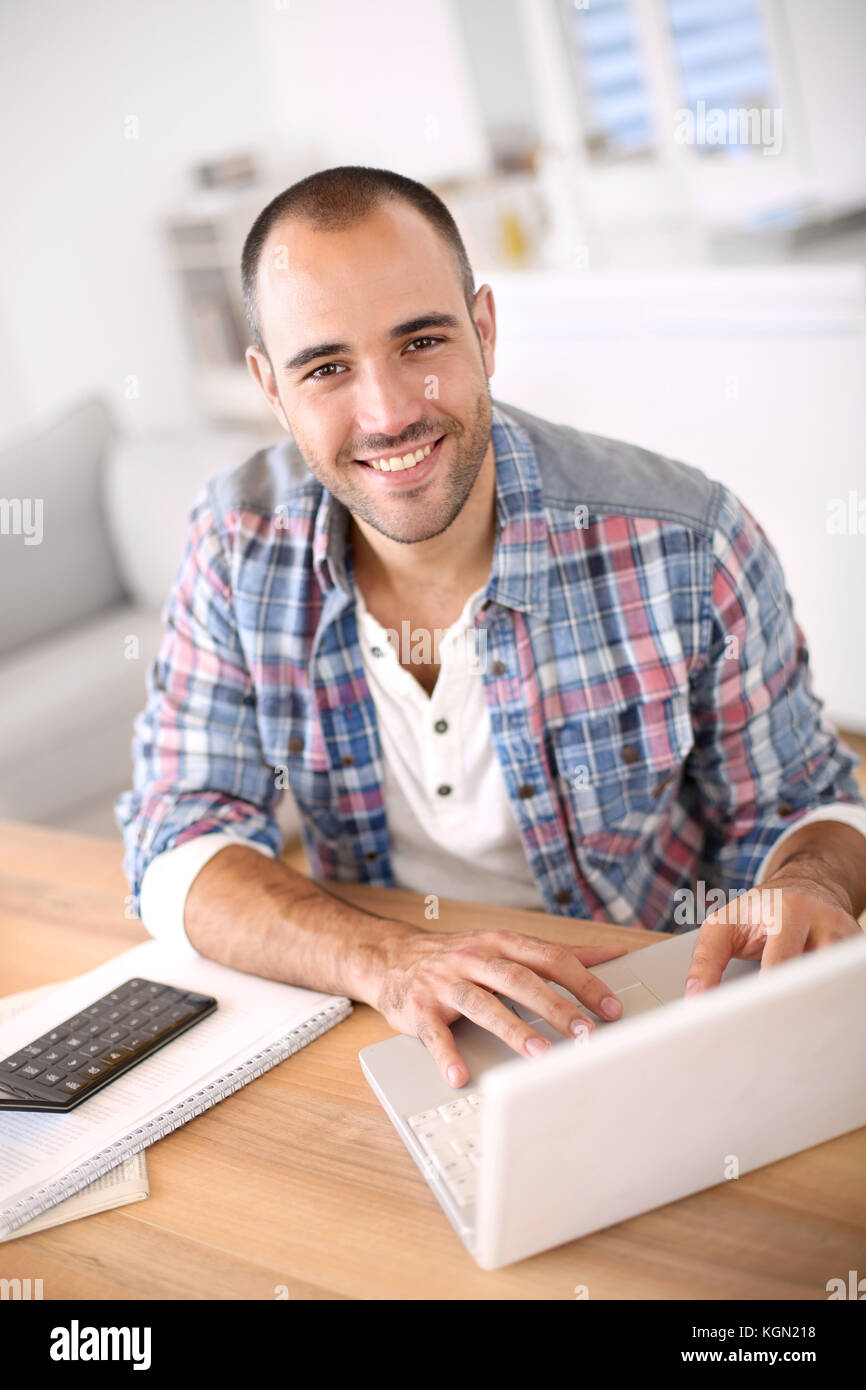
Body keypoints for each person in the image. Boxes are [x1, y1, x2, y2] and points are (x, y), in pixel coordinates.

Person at [116, 165, 866, 1090]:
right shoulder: (236, 546)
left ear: (486, 330)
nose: (389, 413)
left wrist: (810, 884)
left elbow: (805, 807)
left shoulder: (689, 540)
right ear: (272, 387)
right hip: (392, 1018)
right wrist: (385, 960)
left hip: (646, 1009)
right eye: (328, 368)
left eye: (421, 340)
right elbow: (177, 832)